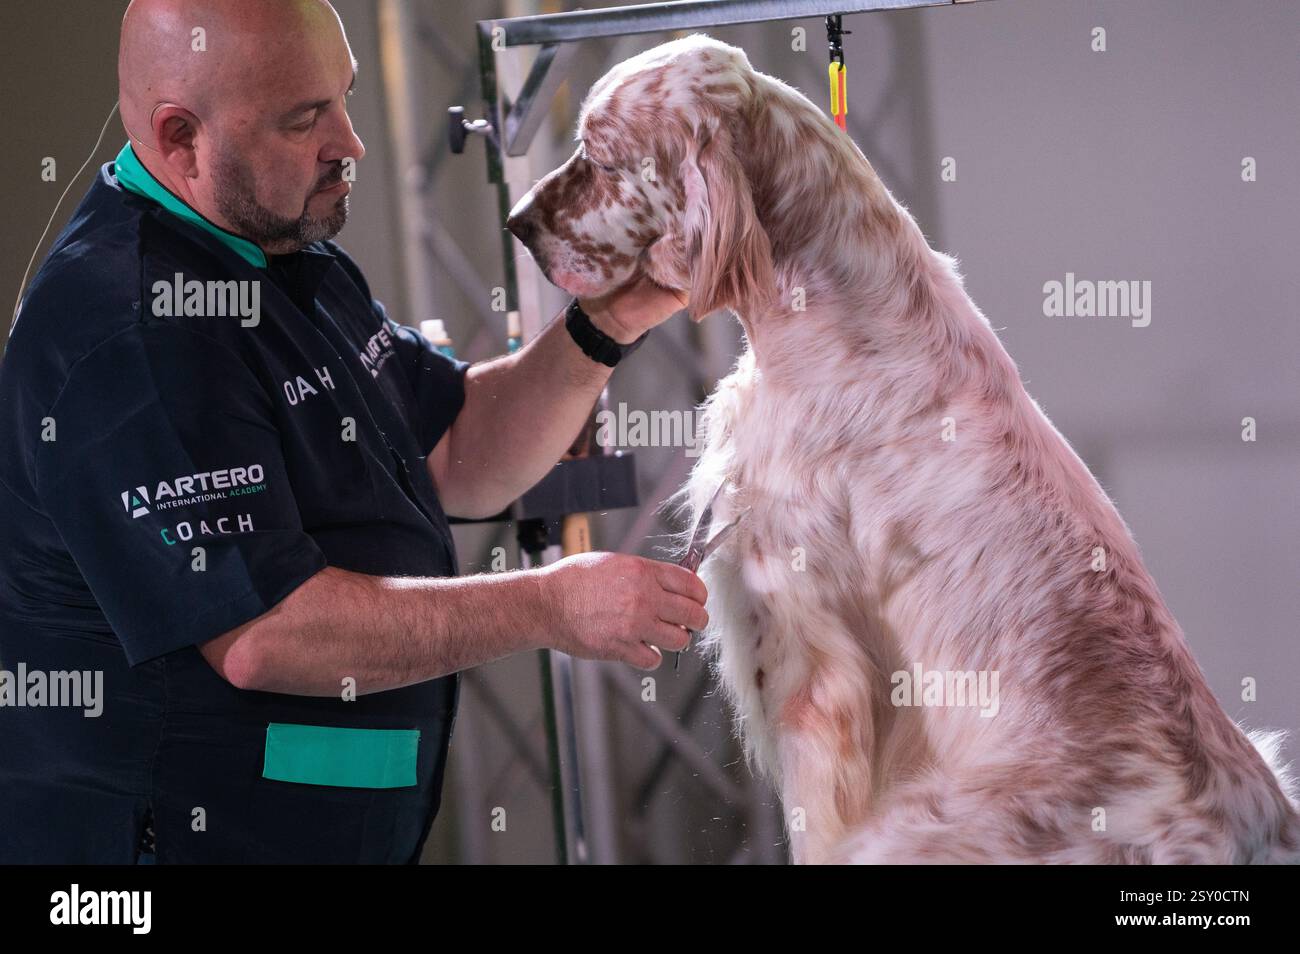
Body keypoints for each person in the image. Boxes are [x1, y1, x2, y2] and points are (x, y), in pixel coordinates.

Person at [0, 0, 705, 864]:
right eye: (306, 118)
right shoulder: (131, 329)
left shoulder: (285, 248)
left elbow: (455, 452)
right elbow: (266, 633)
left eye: (345, 95)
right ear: (182, 139)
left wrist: (607, 323)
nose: (351, 142)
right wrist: (550, 604)